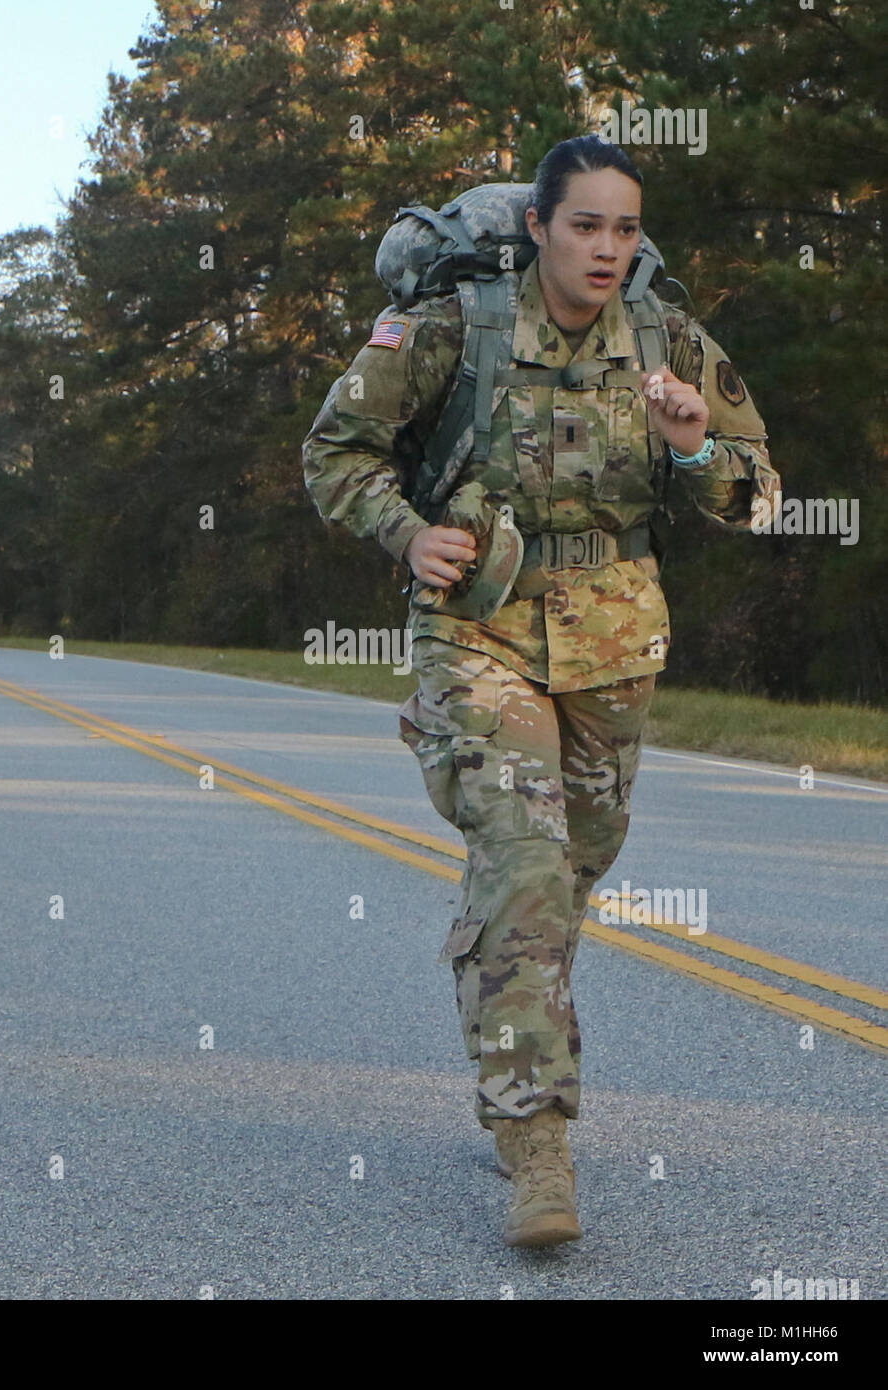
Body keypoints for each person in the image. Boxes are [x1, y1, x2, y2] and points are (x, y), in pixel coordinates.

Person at [301, 134, 780, 1247]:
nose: (606, 248)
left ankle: (507, 1018)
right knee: (523, 866)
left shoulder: (666, 340)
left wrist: (698, 448)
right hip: (478, 629)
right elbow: (336, 452)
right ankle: (537, 1145)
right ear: (537, 228)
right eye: (584, 226)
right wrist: (406, 530)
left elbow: (756, 499)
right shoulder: (450, 332)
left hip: (614, 644)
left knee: (564, 881)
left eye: (624, 228)